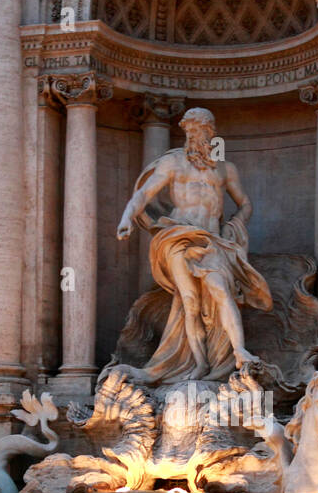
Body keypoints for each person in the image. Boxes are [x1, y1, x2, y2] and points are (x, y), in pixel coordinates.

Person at [115, 107, 272, 382]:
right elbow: (144, 193)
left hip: (211, 239)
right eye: (190, 130)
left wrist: (234, 224)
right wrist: (127, 216)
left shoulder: (225, 169)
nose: (195, 135)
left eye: (200, 129)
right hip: (177, 235)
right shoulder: (173, 163)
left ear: (211, 132)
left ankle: (239, 351)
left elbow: (245, 204)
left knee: (221, 289)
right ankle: (199, 364)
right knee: (189, 300)